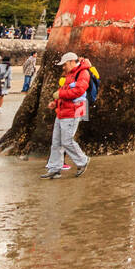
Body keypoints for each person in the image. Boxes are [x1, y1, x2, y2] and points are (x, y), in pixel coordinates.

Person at [41, 52, 91, 180]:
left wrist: (60, 95)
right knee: (56, 142)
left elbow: (79, 90)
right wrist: (56, 103)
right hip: (63, 110)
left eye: (64, 64)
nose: (63, 67)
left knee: (67, 140)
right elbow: (65, 91)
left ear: (71, 62)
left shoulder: (83, 73)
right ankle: (54, 169)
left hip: (74, 111)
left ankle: (82, 161)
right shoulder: (70, 74)